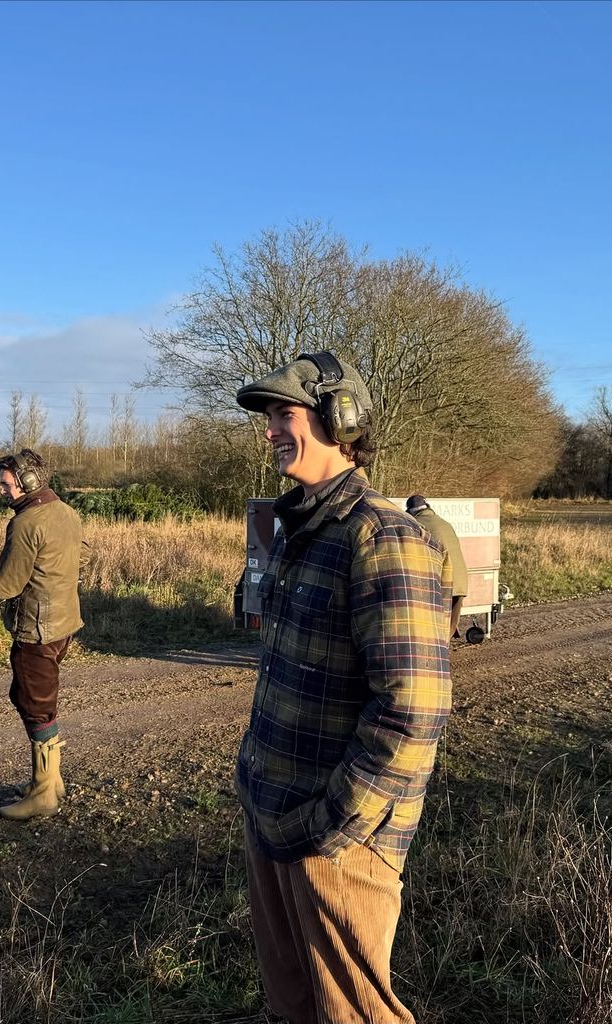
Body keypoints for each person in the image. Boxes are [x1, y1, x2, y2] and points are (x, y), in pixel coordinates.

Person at [234, 351, 453, 1024]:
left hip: (335, 840)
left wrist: (335, 825)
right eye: (269, 417)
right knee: (293, 1005)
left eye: (286, 414)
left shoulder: (384, 538)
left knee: (354, 1015)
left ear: (341, 418)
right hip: (273, 816)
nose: (271, 430)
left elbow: (413, 713)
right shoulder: (299, 529)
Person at [0, 449, 90, 821]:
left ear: (28, 482)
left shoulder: (26, 522)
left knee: (35, 704)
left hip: (37, 629)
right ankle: (51, 782)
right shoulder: (65, 511)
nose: (1, 490)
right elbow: (75, 559)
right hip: (64, 624)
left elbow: (7, 586)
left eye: (5, 484)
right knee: (33, 698)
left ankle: (44, 795)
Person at [405, 495, 469, 637]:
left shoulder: (416, 525)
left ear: (410, 511)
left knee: (434, 632)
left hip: (443, 582)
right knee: (448, 629)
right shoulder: (445, 523)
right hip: (460, 582)